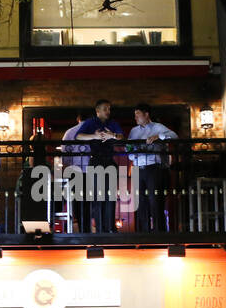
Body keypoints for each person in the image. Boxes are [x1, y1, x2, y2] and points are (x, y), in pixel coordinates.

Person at [74, 99, 125, 233]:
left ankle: (110, 228)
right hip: (95, 161)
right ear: (98, 111)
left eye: (109, 109)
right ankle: (100, 229)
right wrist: (94, 136)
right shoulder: (90, 123)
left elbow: (122, 137)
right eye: (105, 109)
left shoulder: (113, 123)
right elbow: (78, 136)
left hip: (110, 161)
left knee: (110, 196)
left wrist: (111, 135)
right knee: (97, 197)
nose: (108, 111)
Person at [128, 104, 178, 232]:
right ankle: (144, 233)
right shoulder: (134, 131)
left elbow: (174, 136)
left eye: (138, 114)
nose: (135, 117)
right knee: (141, 201)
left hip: (154, 167)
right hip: (138, 167)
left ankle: (159, 232)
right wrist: (133, 152)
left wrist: (158, 137)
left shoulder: (158, 127)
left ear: (146, 114)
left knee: (155, 200)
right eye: (135, 115)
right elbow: (129, 150)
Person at [59, 110, 92, 231]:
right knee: (89, 200)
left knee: (77, 201)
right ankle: (87, 227)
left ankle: (79, 227)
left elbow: (65, 152)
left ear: (78, 119)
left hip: (74, 171)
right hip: (89, 170)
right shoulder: (93, 130)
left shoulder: (69, 132)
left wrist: (66, 169)